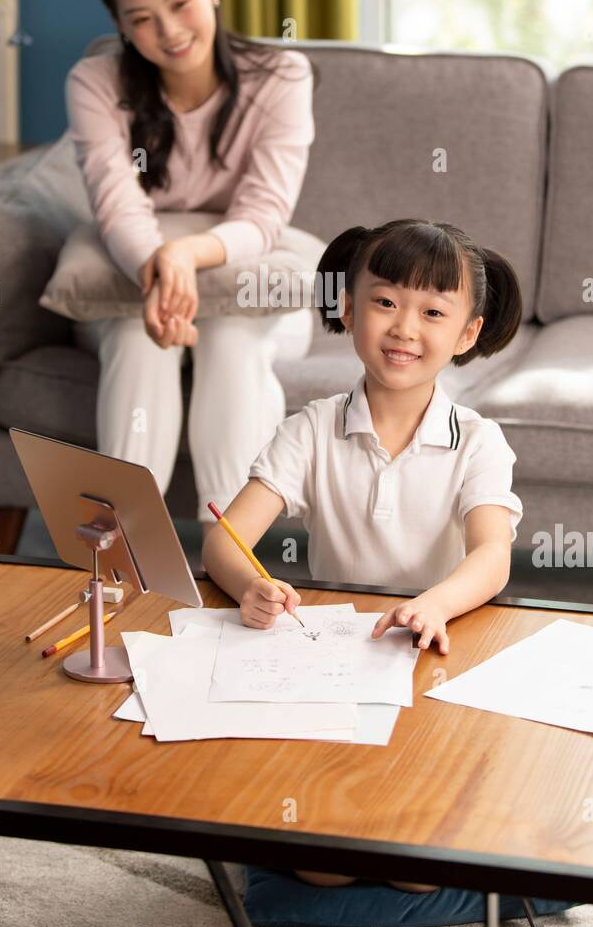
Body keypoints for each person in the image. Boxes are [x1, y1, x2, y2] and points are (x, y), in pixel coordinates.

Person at [202, 217, 524, 891]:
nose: (405, 328)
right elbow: (224, 539)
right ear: (347, 309)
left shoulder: (478, 441)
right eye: (384, 302)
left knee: (421, 874)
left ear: (467, 333)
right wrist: (246, 586)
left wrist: (433, 604)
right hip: (334, 667)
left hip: (437, 660)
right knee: (322, 869)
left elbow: (492, 556)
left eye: (433, 311)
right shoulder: (310, 429)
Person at [67, 0, 318, 556]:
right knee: (134, 333)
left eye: (180, 3)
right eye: (143, 19)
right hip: (137, 285)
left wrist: (183, 254)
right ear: (122, 26)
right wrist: (157, 270)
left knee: (231, 338)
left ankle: (229, 554)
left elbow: (264, 214)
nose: (170, 32)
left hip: (244, 287)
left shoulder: (282, 77)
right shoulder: (95, 84)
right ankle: (121, 555)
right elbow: (117, 208)